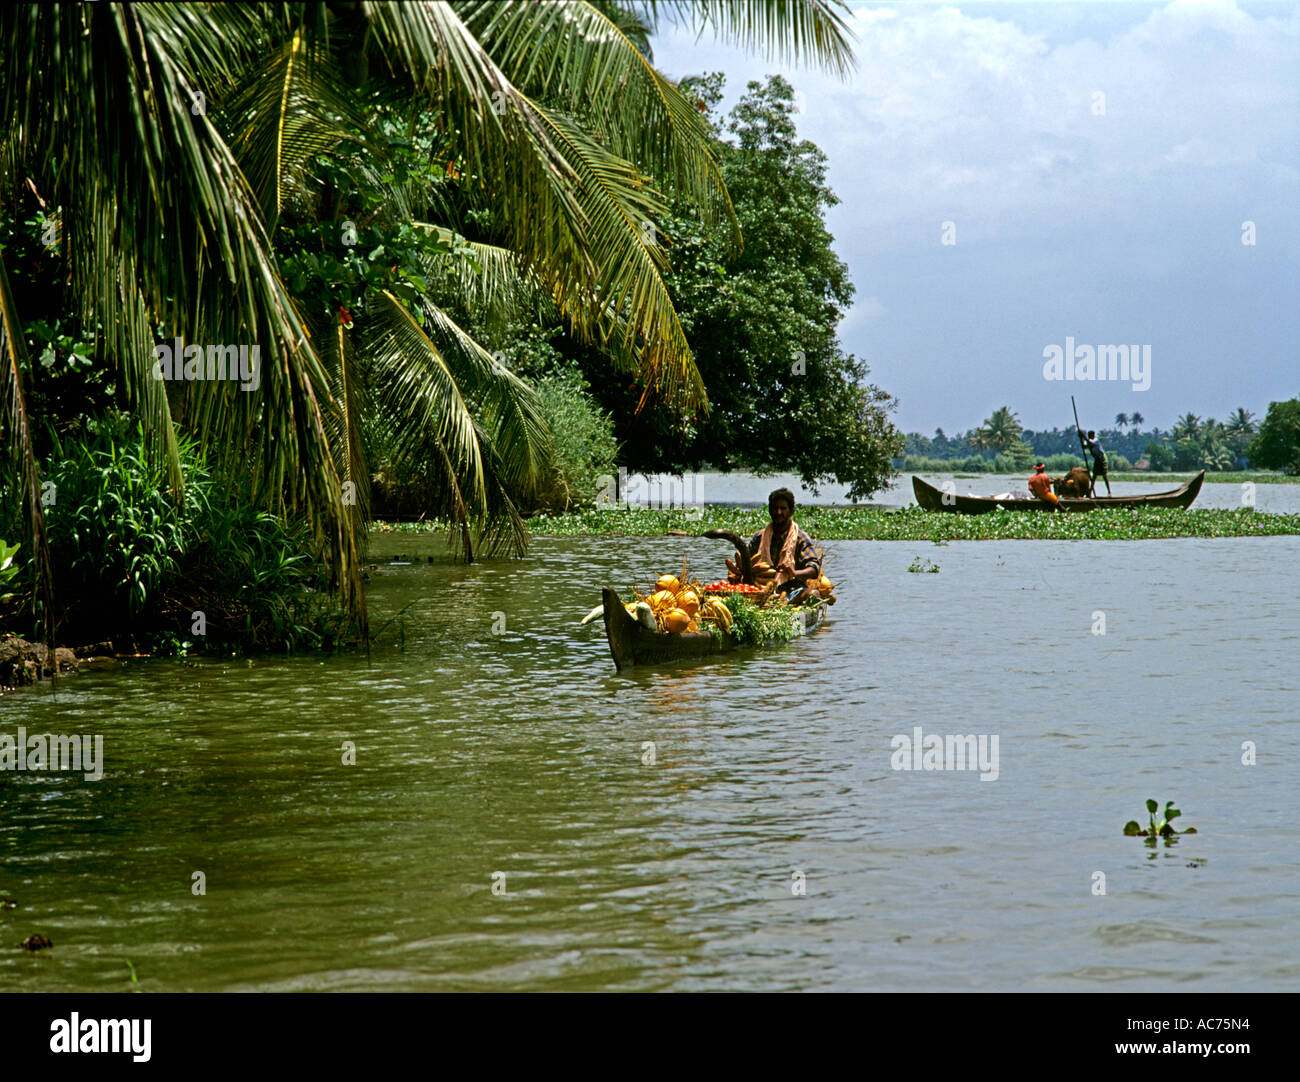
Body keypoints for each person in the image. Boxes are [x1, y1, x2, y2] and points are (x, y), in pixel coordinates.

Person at [748, 488, 821, 593]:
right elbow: (745, 563)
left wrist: (794, 573)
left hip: (793, 589)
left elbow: (814, 569)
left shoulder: (800, 538)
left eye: (783, 508)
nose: (778, 512)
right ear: (770, 511)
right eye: (775, 508)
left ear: (791, 511)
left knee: (814, 594)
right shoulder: (759, 537)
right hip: (761, 589)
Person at [1078, 429, 1111, 495]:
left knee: (1104, 476)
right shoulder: (1089, 441)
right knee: (1094, 476)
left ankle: (1109, 492)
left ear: (1093, 435)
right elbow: (1084, 447)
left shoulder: (1096, 440)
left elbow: (1091, 444)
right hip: (1097, 459)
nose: (1090, 437)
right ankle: (1090, 492)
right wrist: (1081, 438)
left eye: (1091, 435)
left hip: (1102, 459)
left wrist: (1083, 436)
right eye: (1089, 436)